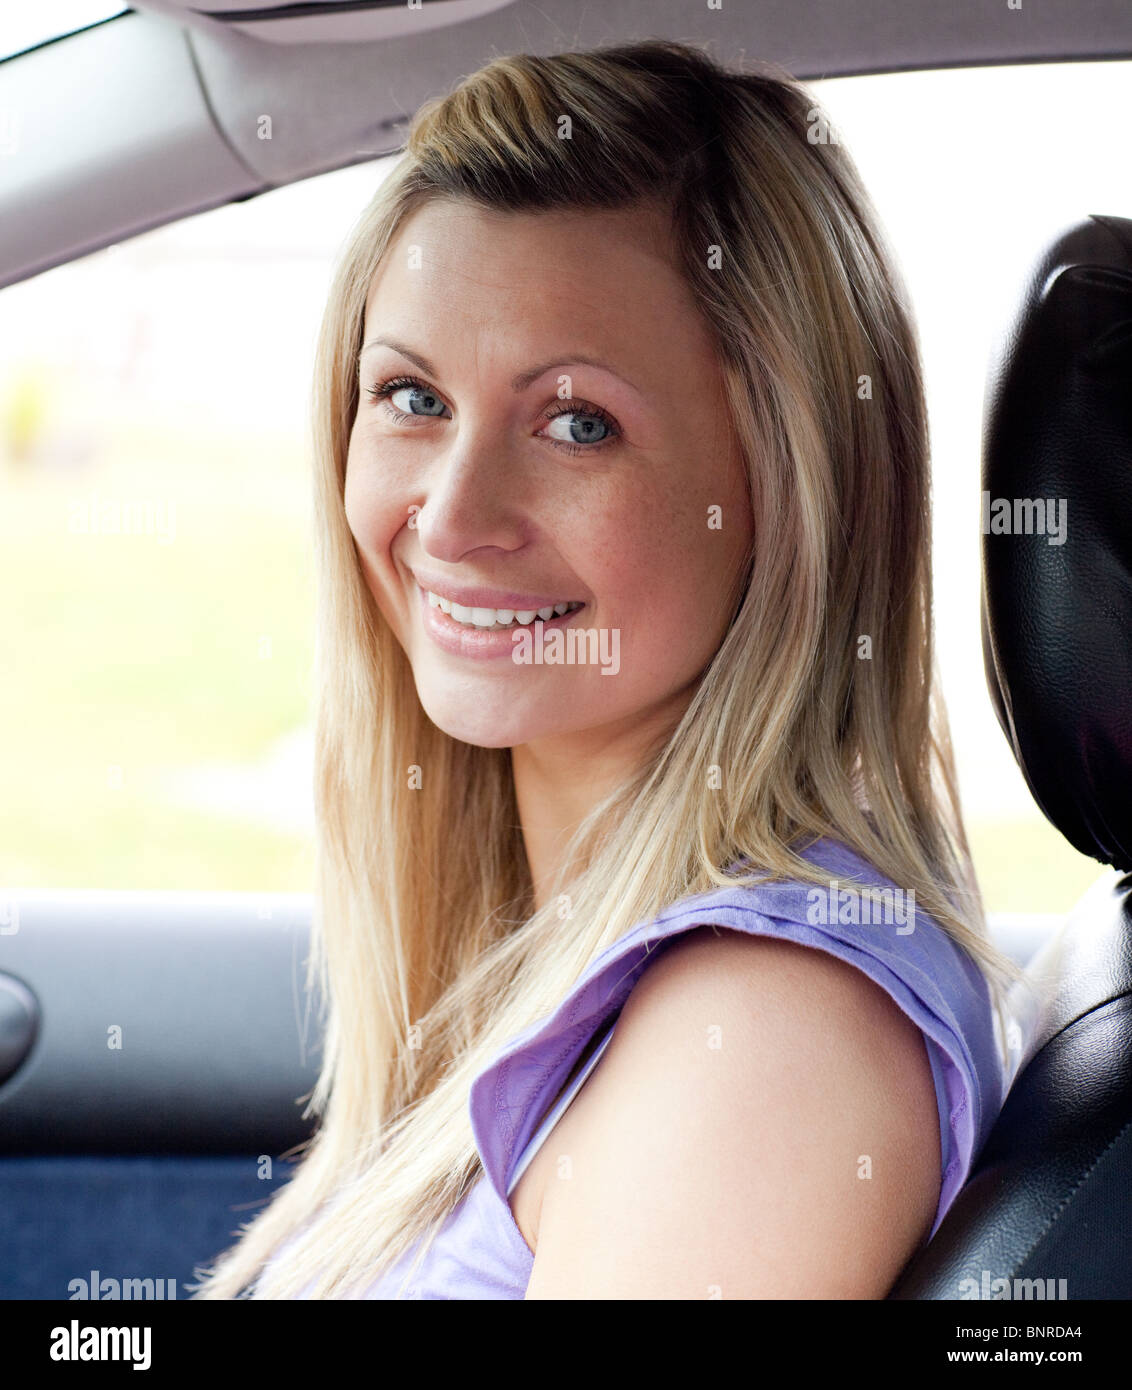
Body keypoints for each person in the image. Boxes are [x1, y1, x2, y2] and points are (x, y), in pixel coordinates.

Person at [190, 37, 1019, 1300]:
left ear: (786, 486)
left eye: (577, 421)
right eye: (411, 398)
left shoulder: (763, 1040)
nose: (454, 517)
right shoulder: (580, 958)